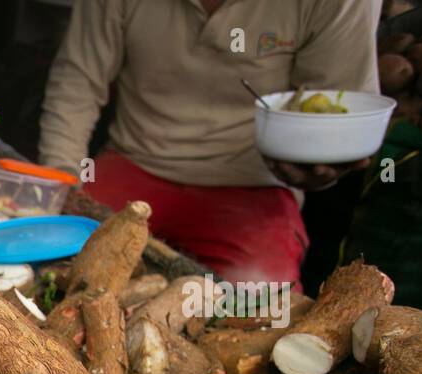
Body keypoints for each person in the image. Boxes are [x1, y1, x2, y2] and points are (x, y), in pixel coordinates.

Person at [38, 0, 383, 285]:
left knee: (256, 302)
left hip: (255, 182)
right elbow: (78, 82)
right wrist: (62, 179)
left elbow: (338, 111)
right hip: (136, 158)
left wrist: (323, 161)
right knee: (55, 264)